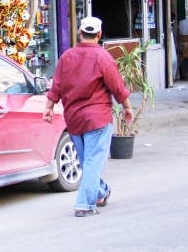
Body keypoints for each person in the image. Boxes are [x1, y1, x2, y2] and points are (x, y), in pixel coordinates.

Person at [43, 16, 133, 217]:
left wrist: (48, 107)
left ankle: (101, 193)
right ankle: (84, 204)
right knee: (92, 163)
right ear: (99, 35)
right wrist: (127, 107)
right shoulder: (103, 57)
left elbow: (56, 86)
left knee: (87, 162)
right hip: (97, 119)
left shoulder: (66, 57)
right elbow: (117, 87)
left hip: (74, 119)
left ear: (79, 33)